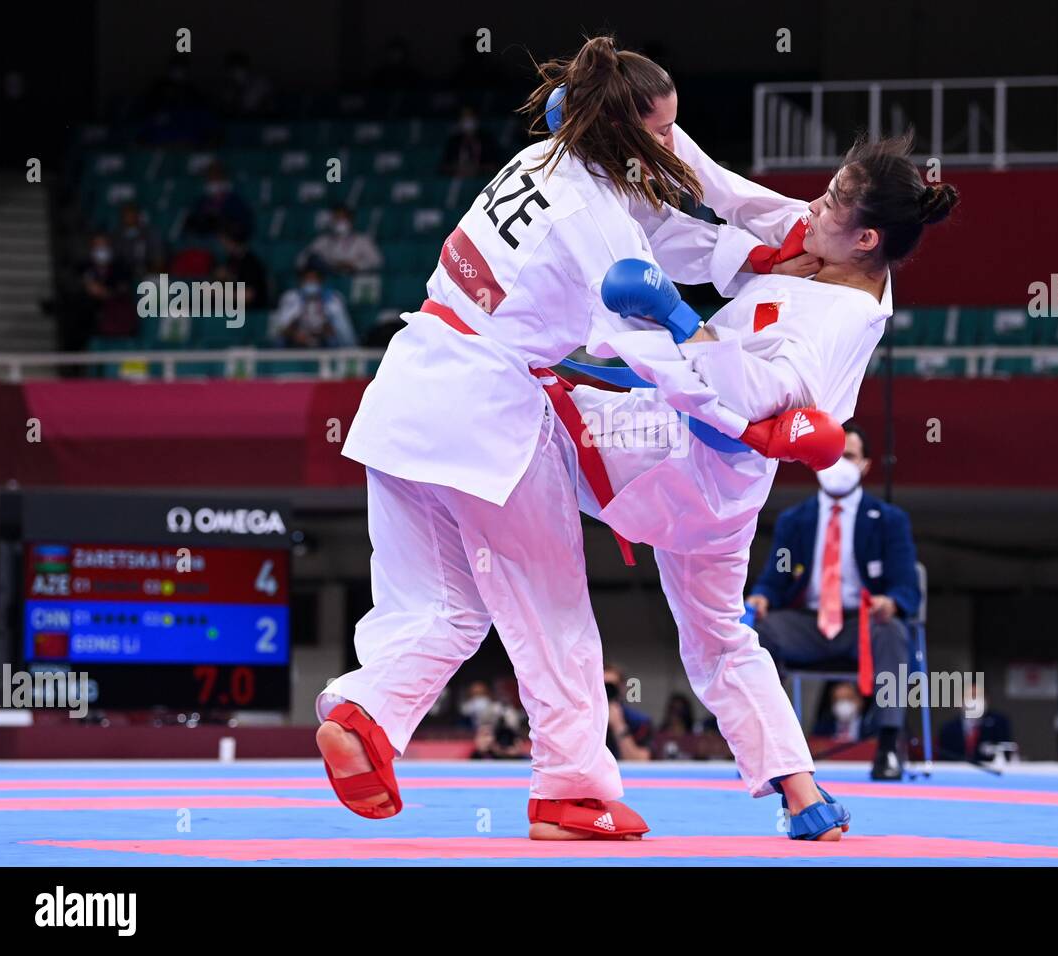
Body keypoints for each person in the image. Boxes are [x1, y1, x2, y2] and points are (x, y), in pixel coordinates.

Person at [314, 37, 810, 840]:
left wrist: (755, 250)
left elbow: (656, 231)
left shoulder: (545, 161)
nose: (668, 146)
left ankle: (365, 713)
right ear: (620, 133)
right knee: (551, 607)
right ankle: (570, 791)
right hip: (488, 409)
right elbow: (646, 336)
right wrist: (740, 417)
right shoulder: (595, 215)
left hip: (408, 390)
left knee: (438, 607)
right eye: (659, 133)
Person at [570, 131, 956, 827]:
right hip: (710, 479)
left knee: (517, 418)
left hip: (675, 453)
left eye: (835, 197)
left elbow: (756, 399)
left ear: (868, 238)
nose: (815, 203)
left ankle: (556, 755)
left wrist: (683, 321)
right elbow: (722, 187)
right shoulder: (822, 241)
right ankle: (803, 792)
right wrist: (641, 122)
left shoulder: (843, 320)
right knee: (720, 637)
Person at [744, 420, 919, 781]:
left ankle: (888, 745)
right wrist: (761, 596)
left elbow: (907, 588)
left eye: (850, 457)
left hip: (864, 624)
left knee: (893, 631)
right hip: (808, 624)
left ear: (866, 465)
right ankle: (771, 748)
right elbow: (775, 580)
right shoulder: (795, 520)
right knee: (760, 632)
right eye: (832, 456)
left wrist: (892, 602)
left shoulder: (889, 520)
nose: (839, 465)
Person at [269, 265, 355, 348]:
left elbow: (343, 330)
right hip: (296, 338)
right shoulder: (290, 297)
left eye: (314, 280)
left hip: (323, 339)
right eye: (307, 279)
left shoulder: (333, 298)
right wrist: (295, 334)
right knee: (280, 339)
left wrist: (322, 331)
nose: (310, 282)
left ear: (321, 281)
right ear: (301, 281)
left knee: (333, 338)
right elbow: (281, 327)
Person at [297, 206, 384, 275]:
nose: (339, 222)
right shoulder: (322, 240)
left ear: (351, 221)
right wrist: (327, 264)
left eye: (343, 218)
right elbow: (301, 259)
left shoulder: (363, 240)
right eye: (336, 218)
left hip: (355, 277)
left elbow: (377, 261)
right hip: (328, 277)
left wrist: (355, 265)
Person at [939, 690, 1013, 763]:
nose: (974, 700)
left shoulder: (999, 724)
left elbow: (1007, 752)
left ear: (986, 699)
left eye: (978, 696)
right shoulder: (948, 729)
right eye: (970, 696)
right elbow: (942, 759)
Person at [185, 163, 253, 238]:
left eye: (218, 178)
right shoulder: (202, 201)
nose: (215, 183)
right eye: (211, 179)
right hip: (206, 238)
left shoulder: (236, 201)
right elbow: (192, 222)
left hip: (228, 238)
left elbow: (242, 225)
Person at [214, 225, 270, 310]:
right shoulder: (230, 261)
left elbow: (249, 295)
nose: (222, 245)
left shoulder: (251, 263)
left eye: (224, 241)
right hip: (233, 310)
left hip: (252, 314)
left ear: (231, 241)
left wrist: (220, 293)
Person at [112, 202, 166, 278]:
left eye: (131, 214)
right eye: (126, 215)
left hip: (148, 274)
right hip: (123, 276)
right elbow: (114, 261)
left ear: (138, 215)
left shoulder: (150, 234)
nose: (129, 218)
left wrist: (149, 272)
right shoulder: (116, 236)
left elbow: (159, 259)